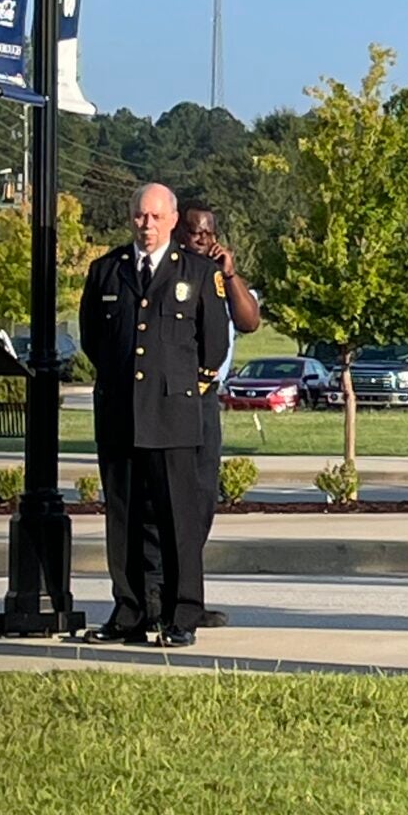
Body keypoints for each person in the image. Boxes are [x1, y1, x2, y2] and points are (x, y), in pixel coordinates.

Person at [78, 183, 229, 647]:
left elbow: (214, 343)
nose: (147, 226)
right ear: (132, 218)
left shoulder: (199, 273)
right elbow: (92, 339)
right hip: (121, 413)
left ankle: (181, 614)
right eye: (141, 217)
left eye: (156, 218)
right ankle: (129, 611)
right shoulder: (107, 270)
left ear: (172, 219)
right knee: (122, 519)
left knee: (177, 521)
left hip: (174, 414)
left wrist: (185, 386)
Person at [154, 202, 261, 630]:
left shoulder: (219, 277)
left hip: (205, 399)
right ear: (180, 232)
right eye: (197, 232)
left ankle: (188, 599)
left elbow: (249, 321)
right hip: (170, 398)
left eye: (210, 232)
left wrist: (231, 273)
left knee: (200, 502)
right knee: (164, 505)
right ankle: (159, 599)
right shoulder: (170, 275)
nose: (205, 239)